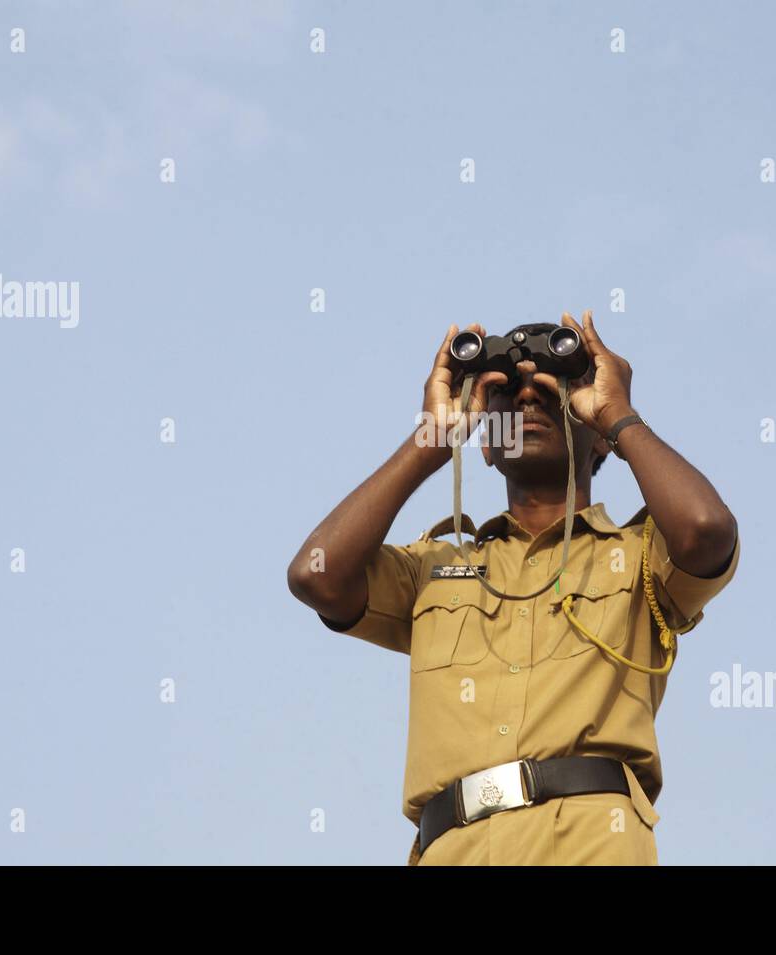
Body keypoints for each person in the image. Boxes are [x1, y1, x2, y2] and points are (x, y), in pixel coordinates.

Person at [287, 310, 740, 865]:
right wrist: (431, 441)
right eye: (507, 392)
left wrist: (619, 416)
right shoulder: (432, 569)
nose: (529, 400)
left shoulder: (639, 555)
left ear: (599, 443)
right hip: (456, 848)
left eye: (553, 391)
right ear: (485, 443)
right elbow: (317, 575)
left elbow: (705, 530)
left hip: (591, 841)